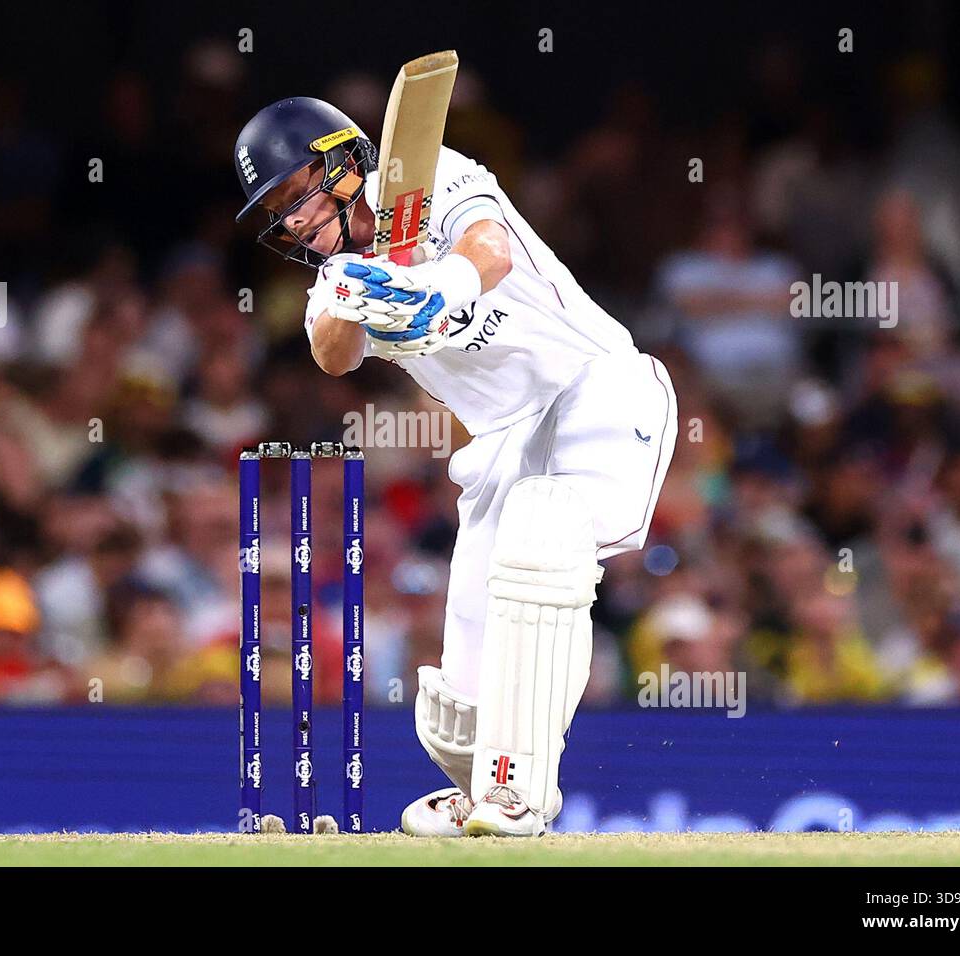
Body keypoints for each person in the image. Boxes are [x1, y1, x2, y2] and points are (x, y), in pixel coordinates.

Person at [233, 96, 678, 836]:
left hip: (597, 387)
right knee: (463, 686)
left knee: (544, 540)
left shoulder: (426, 178)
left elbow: (489, 249)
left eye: (296, 195)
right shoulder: (339, 271)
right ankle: (484, 790)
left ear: (343, 165)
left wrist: (435, 286)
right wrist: (357, 296)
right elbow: (331, 356)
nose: (293, 222)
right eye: (279, 212)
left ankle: (523, 794)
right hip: (504, 438)